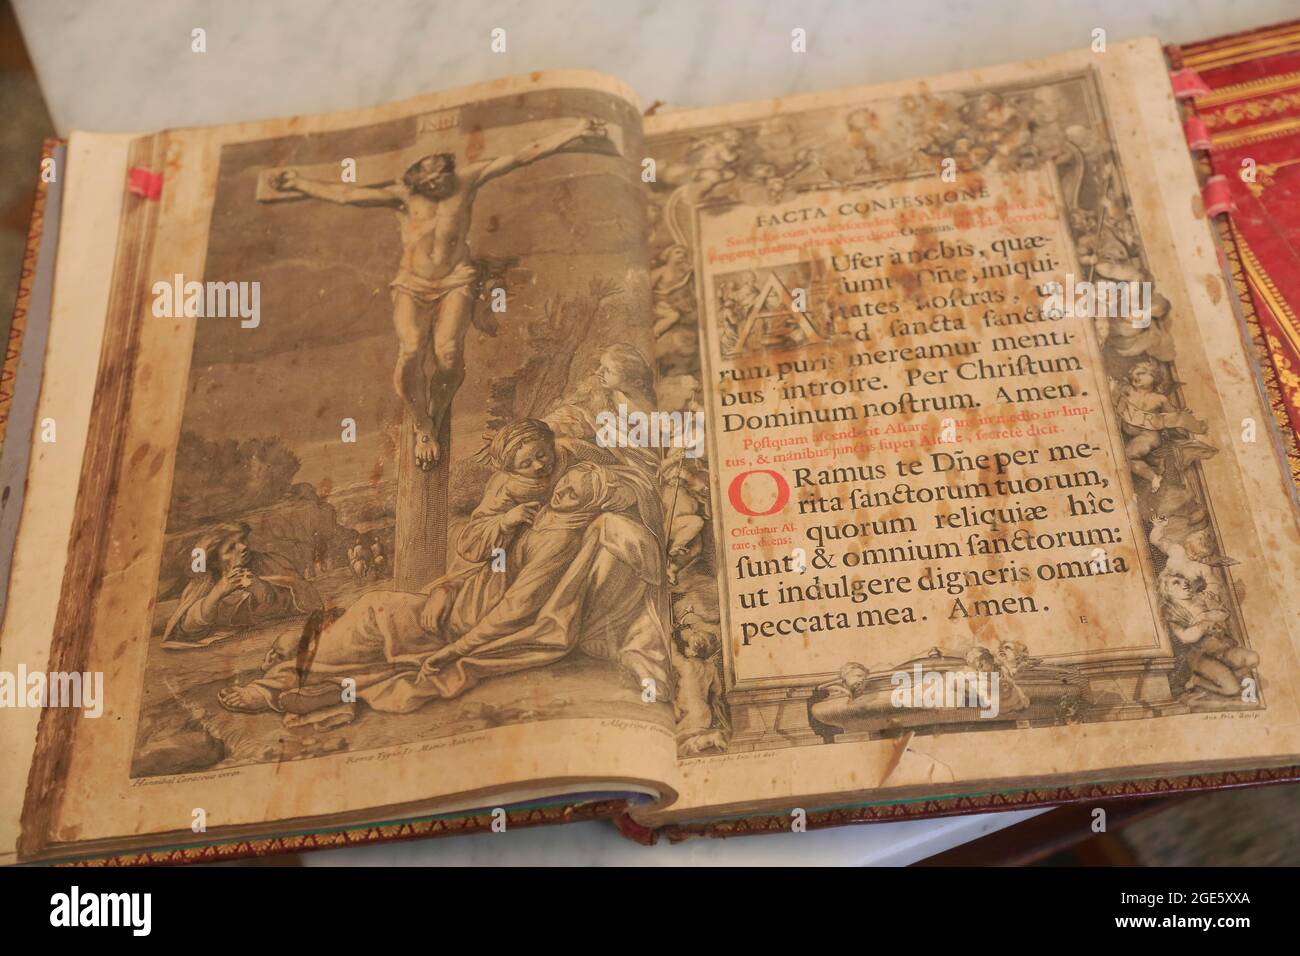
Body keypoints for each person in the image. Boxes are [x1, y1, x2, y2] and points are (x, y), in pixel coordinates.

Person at [271, 117, 612, 469]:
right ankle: (423, 426)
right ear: (419, 181)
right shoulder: (402, 195)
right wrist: (299, 182)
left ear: (448, 172)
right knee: (411, 350)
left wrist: (574, 130)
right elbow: (347, 195)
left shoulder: (467, 180)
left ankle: (434, 414)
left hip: (456, 279)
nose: (438, 186)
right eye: (431, 183)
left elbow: (525, 154)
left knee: (448, 354)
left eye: (442, 180)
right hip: (413, 284)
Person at [162, 523, 322, 649]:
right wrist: (218, 592)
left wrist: (260, 588)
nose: (243, 547)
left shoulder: (272, 563)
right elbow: (187, 630)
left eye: (242, 540)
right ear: (216, 561)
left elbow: (307, 601)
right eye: (231, 548)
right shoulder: (205, 583)